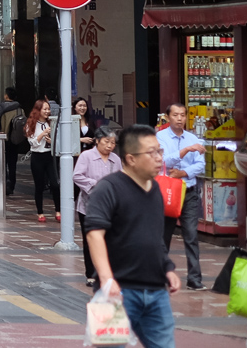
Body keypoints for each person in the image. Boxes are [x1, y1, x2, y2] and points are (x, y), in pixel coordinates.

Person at [85, 124, 179, 348]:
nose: (158, 158)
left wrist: (168, 268)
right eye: (151, 152)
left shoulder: (155, 189)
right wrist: (107, 279)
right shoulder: (108, 188)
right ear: (131, 158)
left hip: (156, 292)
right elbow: (94, 234)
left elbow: (155, 238)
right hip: (119, 291)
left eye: (160, 151)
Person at [157, 102, 205, 289]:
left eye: (183, 115)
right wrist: (185, 151)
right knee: (164, 235)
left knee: (191, 235)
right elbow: (163, 161)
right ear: (168, 117)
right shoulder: (160, 137)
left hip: (189, 192)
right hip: (169, 191)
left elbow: (200, 165)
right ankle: (161, 276)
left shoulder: (194, 138)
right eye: (175, 115)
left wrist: (183, 173)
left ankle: (195, 279)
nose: (179, 118)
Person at [73, 129, 121, 286]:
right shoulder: (86, 156)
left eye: (113, 143)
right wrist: (96, 185)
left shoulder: (116, 159)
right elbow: (77, 176)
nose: (110, 146)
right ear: (97, 141)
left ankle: (107, 273)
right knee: (91, 241)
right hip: (89, 206)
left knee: (110, 240)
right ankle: (91, 274)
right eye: (106, 142)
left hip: (111, 207)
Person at [25, 98, 59, 221]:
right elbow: (32, 143)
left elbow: (58, 140)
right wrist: (42, 134)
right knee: (39, 186)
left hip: (49, 156)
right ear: (38, 110)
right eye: (45, 109)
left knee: (55, 184)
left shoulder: (52, 123)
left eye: (48, 109)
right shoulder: (31, 124)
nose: (47, 111)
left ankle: (58, 211)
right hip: (37, 156)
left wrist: (52, 141)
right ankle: (40, 213)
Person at [0, 87, 23, 197]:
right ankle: (12, 185)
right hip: (15, 140)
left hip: (4, 140)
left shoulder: (2, 108)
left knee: (3, 164)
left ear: (6, 96)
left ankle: (4, 184)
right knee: (12, 164)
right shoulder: (20, 109)